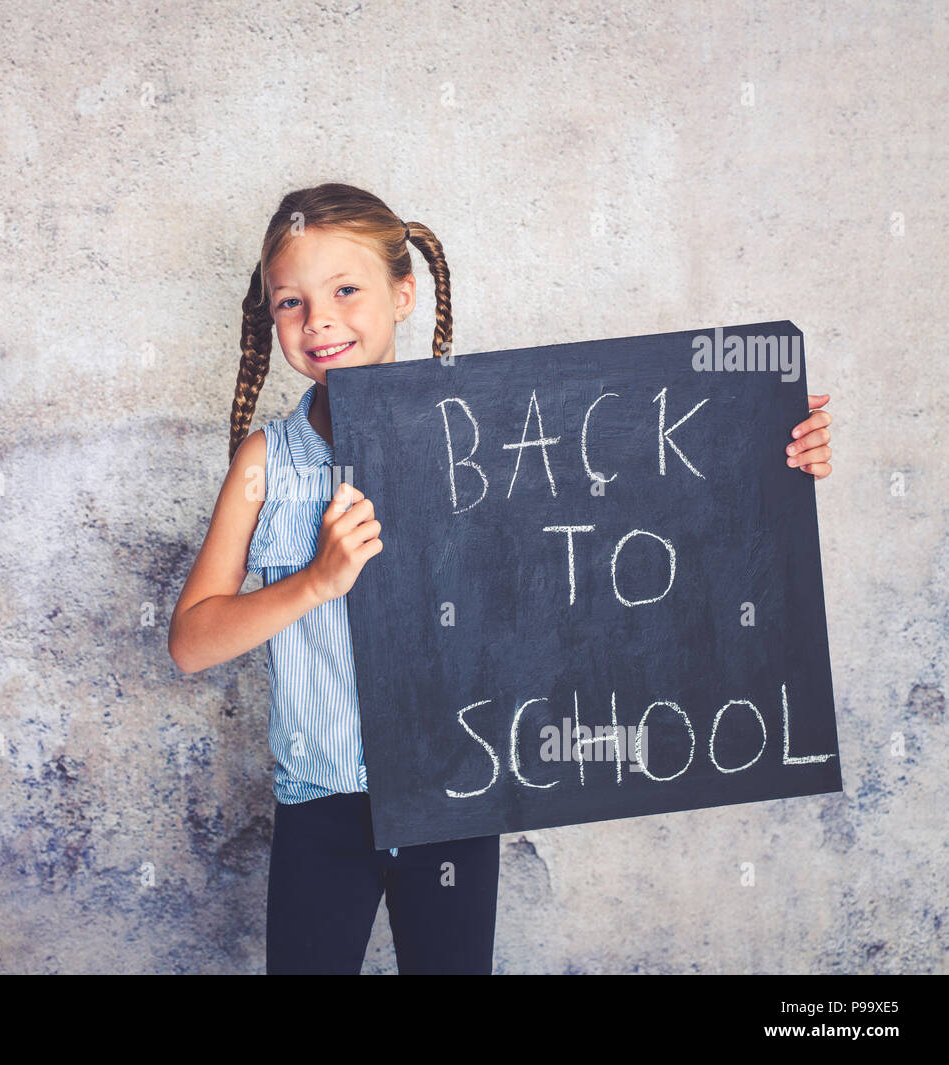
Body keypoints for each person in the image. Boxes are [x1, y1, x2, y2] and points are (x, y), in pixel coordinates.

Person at [167, 182, 836, 974]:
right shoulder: (266, 463)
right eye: (290, 301)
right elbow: (190, 642)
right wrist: (314, 581)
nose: (318, 319)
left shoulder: (485, 439)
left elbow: (636, 500)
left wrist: (765, 450)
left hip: (456, 793)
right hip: (321, 808)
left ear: (404, 292)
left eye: (346, 289)